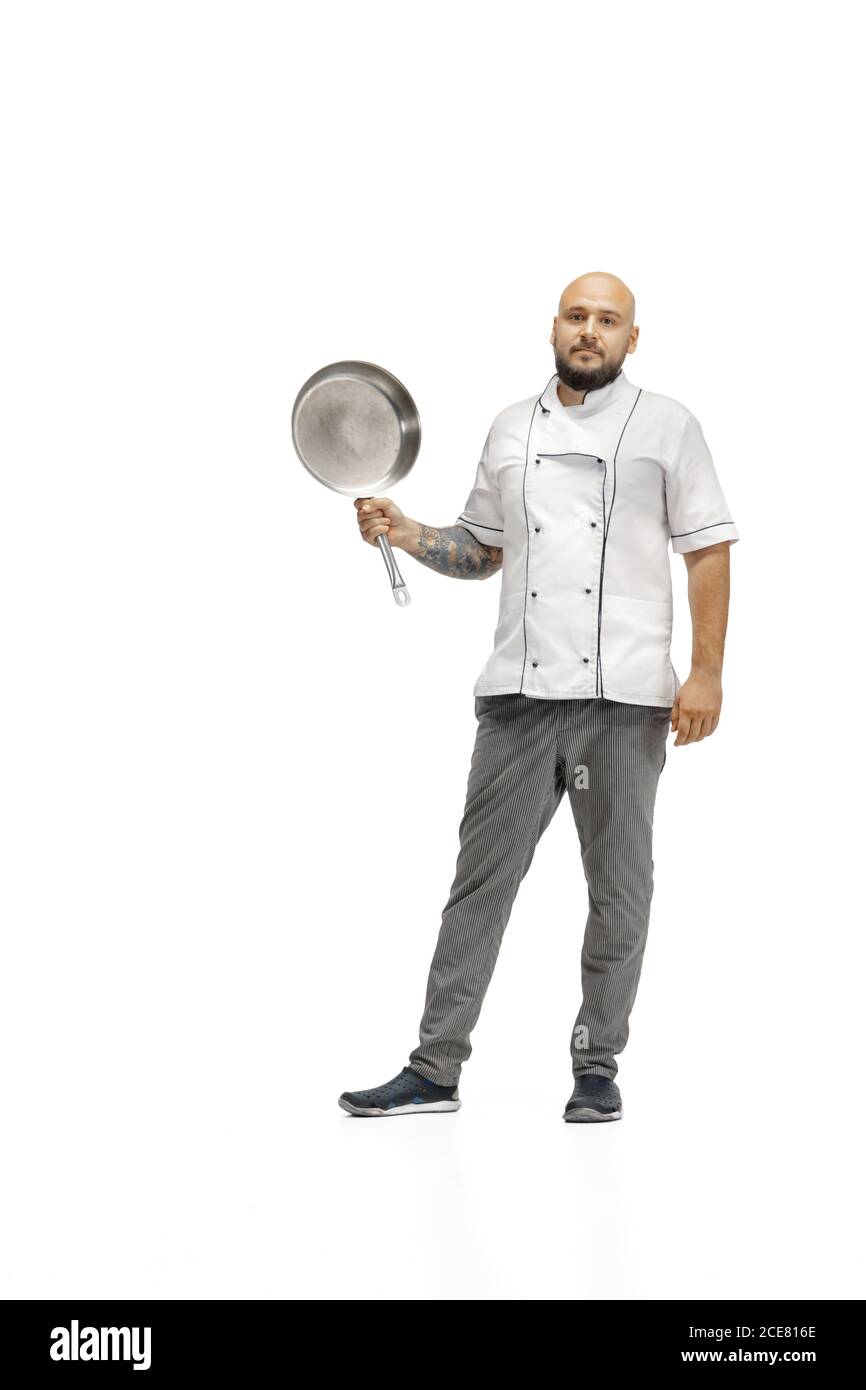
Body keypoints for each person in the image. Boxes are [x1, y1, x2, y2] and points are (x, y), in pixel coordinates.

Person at [338, 271, 740, 1122]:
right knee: (478, 885)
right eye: (576, 316)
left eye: (608, 319)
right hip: (518, 694)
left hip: (623, 698)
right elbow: (482, 547)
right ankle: (435, 1067)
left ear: (634, 338)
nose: (589, 330)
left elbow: (707, 549)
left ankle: (597, 1065)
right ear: (553, 328)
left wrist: (704, 671)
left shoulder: (669, 425)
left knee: (619, 889)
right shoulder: (510, 428)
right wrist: (407, 533)